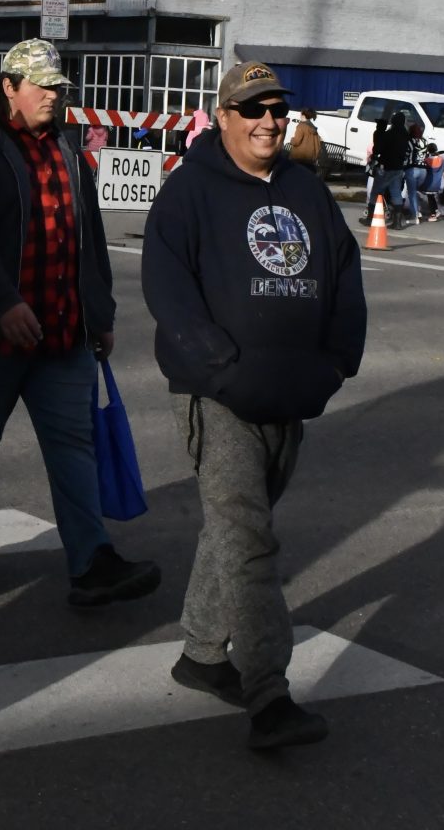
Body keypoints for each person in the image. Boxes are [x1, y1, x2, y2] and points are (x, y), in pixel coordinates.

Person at [142, 60, 366, 751]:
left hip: (293, 393)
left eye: (277, 109)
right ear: (223, 117)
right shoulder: (189, 193)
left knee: (236, 531)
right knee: (249, 540)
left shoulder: (305, 189)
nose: (269, 120)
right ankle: (268, 694)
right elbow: (167, 288)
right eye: (253, 109)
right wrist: (222, 369)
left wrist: (334, 361)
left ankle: (202, 654)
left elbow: (344, 273)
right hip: (222, 399)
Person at [0, 38, 161, 605]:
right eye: (39, 85)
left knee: (74, 446)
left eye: (58, 87)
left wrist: (102, 313)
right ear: (9, 87)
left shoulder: (68, 153)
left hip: (63, 333)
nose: (52, 96)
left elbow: (90, 241)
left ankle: (92, 562)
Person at [362, 111, 408, 228]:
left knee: (376, 192)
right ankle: (397, 222)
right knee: (396, 192)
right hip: (398, 168)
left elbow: (377, 150)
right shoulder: (405, 135)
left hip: (386, 167)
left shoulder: (389, 134)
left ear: (393, 121)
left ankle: (370, 218)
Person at [404, 122, 430, 222]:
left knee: (412, 192)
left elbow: (406, 155)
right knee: (415, 191)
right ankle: (417, 210)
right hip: (424, 170)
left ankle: (414, 215)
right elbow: (427, 155)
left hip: (412, 169)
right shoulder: (425, 141)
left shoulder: (409, 141)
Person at [287, 107, 321, 172]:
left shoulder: (301, 126)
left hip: (299, 158)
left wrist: (291, 140)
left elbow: (296, 142)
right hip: (310, 160)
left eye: (301, 114)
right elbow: (318, 145)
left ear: (303, 115)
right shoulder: (314, 128)